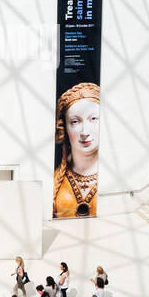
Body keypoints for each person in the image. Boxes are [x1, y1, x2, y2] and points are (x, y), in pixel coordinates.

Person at [52, 82, 100, 216]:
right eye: (75, 122)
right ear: (64, 128)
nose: (84, 132)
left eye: (94, 119)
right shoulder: (55, 181)